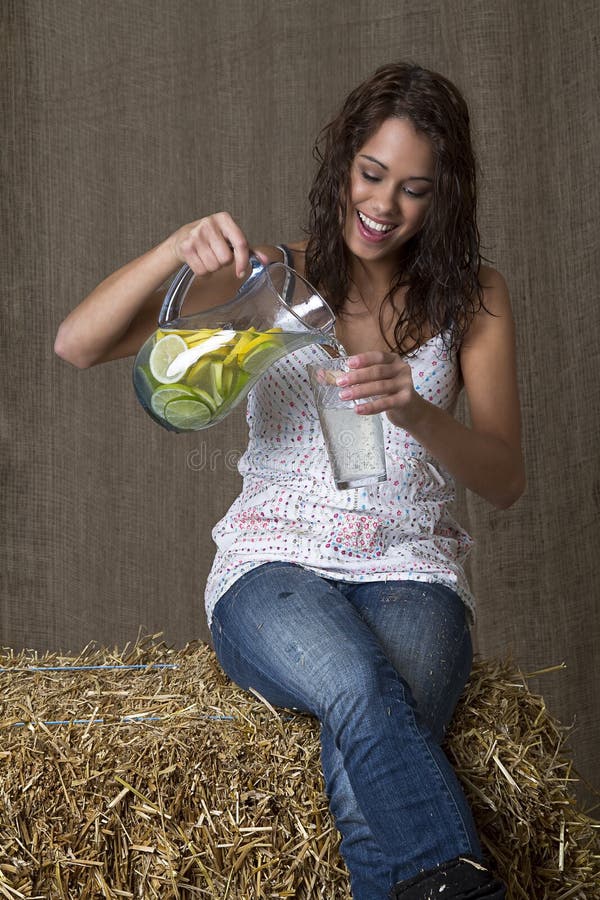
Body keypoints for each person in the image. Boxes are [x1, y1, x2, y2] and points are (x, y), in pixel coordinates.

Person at [55, 62, 524, 899]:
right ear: (343, 163)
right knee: (359, 686)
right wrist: (174, 248)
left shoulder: (474, 299)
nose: (382, 206)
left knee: (373, 743)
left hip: (411, 569)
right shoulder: (269, 276)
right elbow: (79, 344)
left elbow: (505, 479)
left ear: (445, 196)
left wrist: (415, 408)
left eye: (414, 189)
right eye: (371, 175)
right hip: (274, 567)